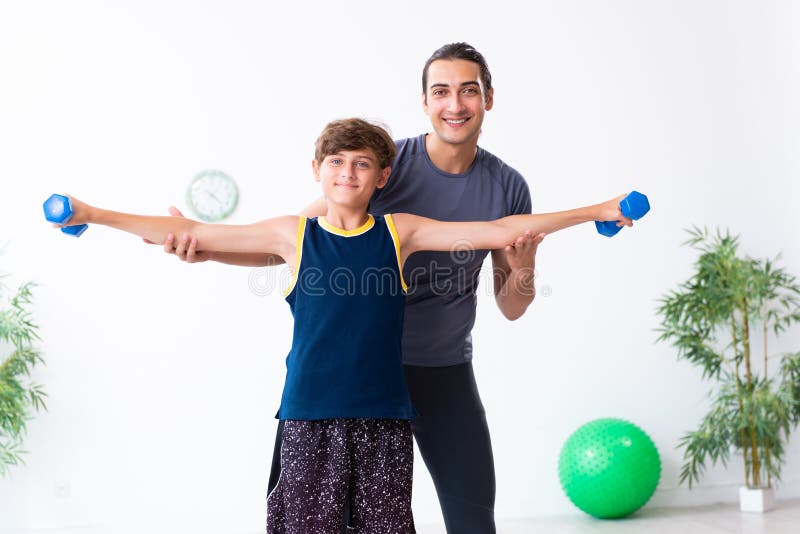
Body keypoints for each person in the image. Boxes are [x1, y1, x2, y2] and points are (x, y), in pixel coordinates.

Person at [56, 117, 631, 533]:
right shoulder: (292, 234)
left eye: (361, 164)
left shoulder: (399, 232)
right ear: (317, 170)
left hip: (383, 420)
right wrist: (91, 215)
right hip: (309, 419)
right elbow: (197, 235)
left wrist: (597, 212)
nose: (347, 172)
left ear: (382, 176)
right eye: (336, 161)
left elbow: (501, 227)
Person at [159, 44, 555, 533]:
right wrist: (207, 244)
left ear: (488, 98)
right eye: (441, 92)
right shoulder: (389, 161)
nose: (455, 105)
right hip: (353, 376)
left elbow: (513, 306)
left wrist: (526, 267)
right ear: (425, 101)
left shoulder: (507, 187)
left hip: (441, 368)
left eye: (468, 91)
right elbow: (300, 241)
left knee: (472, 520)